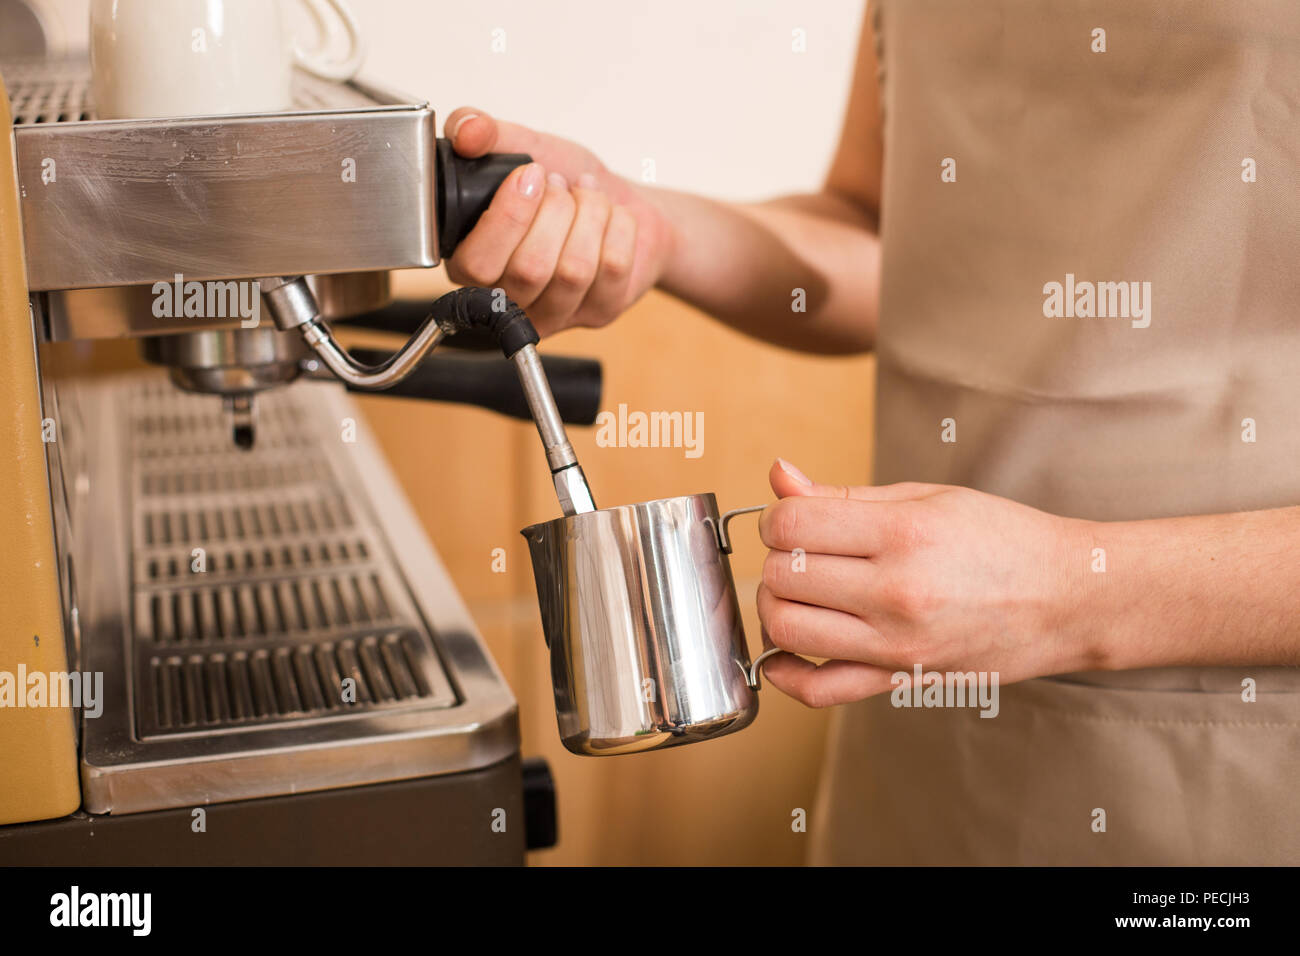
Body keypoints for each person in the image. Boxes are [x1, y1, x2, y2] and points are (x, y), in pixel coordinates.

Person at [441, 0, 1300, 864]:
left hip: (1216, 779)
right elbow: (879, 233)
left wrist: (1076, 590)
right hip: (914, 748)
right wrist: (655, 230)